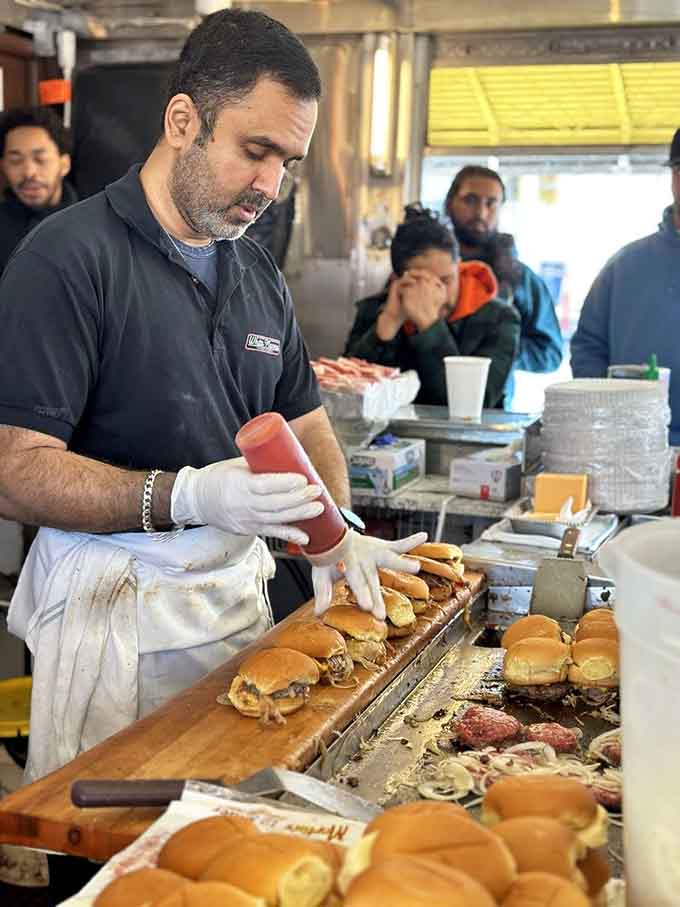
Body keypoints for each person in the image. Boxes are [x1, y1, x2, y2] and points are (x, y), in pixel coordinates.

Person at [0, 9, 424, 784]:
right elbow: (17, 470)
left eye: (288, 161)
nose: (270, 184)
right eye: (255, 151)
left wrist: (334, 535)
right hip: (112, 618)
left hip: (235, 612)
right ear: (183, 119)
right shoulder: (68, 259)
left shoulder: (254, 271)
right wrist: (188, 493)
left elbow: (306, 421)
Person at [344, 204, 520, 408]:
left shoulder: (499, 319)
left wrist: (429, 325)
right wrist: (387, 326)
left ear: (459, 266)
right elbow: (349, 396)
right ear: (398, 279)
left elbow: (473, 403)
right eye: (423, 283)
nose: (438, 294)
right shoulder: (374, 310)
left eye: (446, 280)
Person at [571, 129, 680, 445]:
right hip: (630, 450)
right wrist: (610, 416)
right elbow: (588, 347)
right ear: (675, 177)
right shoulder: (625, 265)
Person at [444, 165, 563, 405]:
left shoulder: (517, 277)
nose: (480, 211)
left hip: (492, 410)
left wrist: (501, 348)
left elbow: (550, 353)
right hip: (421, 406)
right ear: (450, 203)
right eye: (470, 200)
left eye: (491, 203)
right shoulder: (424, 267)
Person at [0, 106, 77, 272]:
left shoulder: (93, 221)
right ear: (3, 166)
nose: (29, 172)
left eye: (40, 159)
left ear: (64, 164)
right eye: (15, 160)